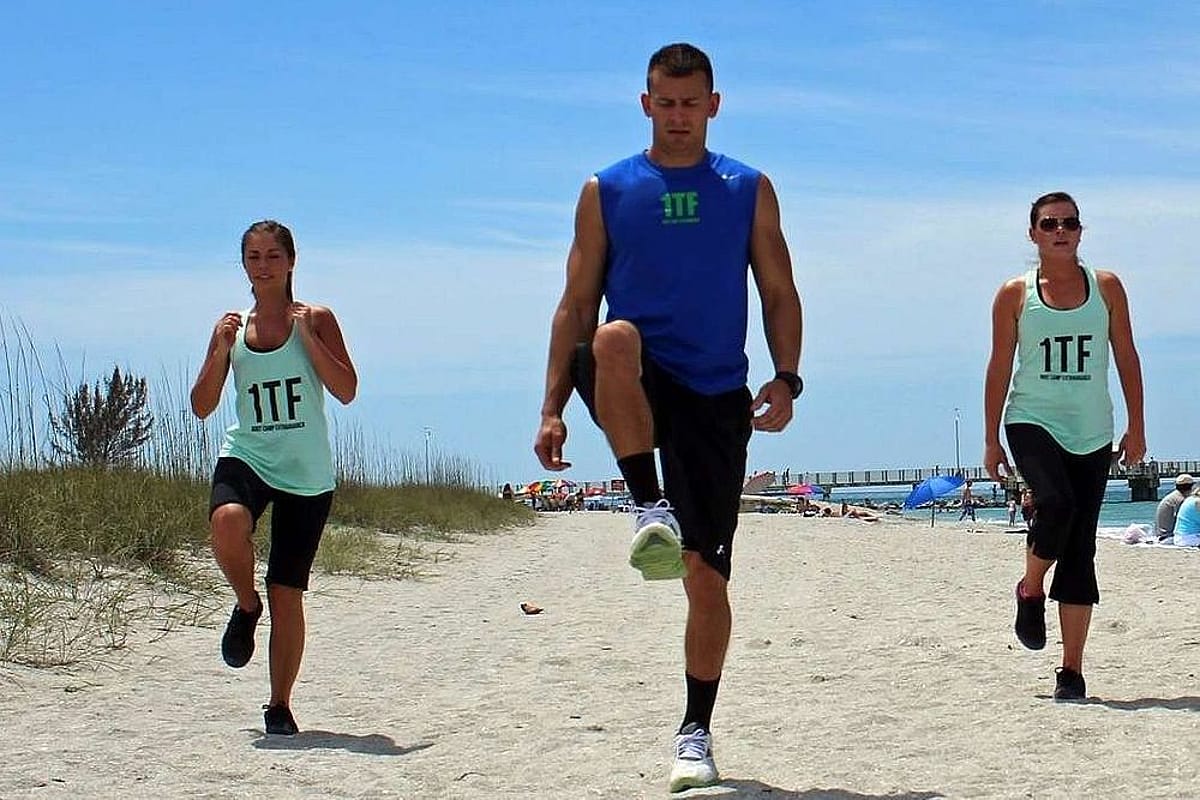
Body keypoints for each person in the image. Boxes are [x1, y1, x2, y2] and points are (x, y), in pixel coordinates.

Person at [533, 43, 802, 792]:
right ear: (645, 103)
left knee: (706, 578)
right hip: (637, 377)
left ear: (713, 105)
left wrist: (787, 376)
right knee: (614, 335)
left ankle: (695, 730)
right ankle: (646, 502)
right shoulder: (607, 189)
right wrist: (551, 406)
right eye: (665, 102)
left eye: (691, 103)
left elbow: (778, 291)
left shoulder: (746, 188)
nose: (678, 116)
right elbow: (575, 304)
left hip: (718, 398)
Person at [190, 220, 358, 736]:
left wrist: (308, 338)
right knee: (226, 521)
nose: (263, 265)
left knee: (288, 592)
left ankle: (279, 704)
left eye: (272, 256)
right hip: (249, 455)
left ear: (291, 261)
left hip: (305, 473)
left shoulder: (318, 318)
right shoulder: (231, 328)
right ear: (244, 264)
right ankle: (245, 603)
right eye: (253, 256)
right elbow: (201, 406)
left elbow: (346, 389)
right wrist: (219, 351)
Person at [984, 192, 1145, 702]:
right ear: (1033, 233)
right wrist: (990, 438)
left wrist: (1136, 425)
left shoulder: (1107, 287)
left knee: (1081, 551)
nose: (1060, 230)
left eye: (1069, 223)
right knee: (1055, 504)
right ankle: (1030, 587)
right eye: (1049, 223)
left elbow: (1126, 355)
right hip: (1031, 418)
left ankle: (1071, 671)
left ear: (1080, 231)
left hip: (1093, 430)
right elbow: (998, 366)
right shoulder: (1015, 293)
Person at [1155, 473, 1194, 542]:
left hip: (1161, 535)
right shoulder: (1182, 500)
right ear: (1190, 487)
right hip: (1169, 536)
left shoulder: (1173, 497)